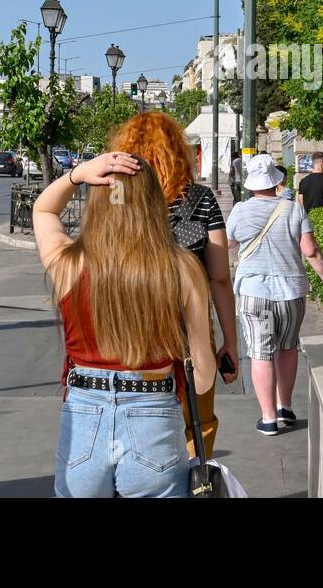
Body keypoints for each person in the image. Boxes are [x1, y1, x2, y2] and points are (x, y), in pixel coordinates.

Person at [34, 151, 215, 497]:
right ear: (153, 203)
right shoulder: (182, 268)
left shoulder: (68, 264)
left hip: (84, 415)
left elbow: (44, 210)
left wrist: (78, 174)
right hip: (154, 419)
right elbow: (202, 379)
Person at [110, 111, 237, 457]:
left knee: (141, 418)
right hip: (192, 328)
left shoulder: (119, 196)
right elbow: (221, 278)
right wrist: (230, 341)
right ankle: (193, 482)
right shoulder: (202, 198)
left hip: (134, 326)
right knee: (197, 420)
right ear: (177, 151)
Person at [226, 154, 323, 436]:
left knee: (260, 353)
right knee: (288, 347)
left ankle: (268, 419)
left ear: (251, 183)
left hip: (255, 292)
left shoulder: (240, 211)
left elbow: (225, 246)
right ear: (276, 181)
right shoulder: (292, 210)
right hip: (290, 291)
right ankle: (285, 409)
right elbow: (310, 251)